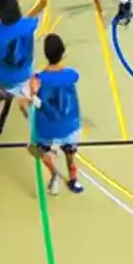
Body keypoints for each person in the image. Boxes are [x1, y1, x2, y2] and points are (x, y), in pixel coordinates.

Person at [30, 34, 84, 195]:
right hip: (70, 124)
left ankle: (54, 174)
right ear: (63, 53)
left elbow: (33, 95)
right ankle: (73, 178)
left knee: (35, 148)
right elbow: (72, 76)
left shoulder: (39, 79)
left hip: (48, 127)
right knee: (70, 150)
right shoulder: (71, 74)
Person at [0, 0, 39, 140]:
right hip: (25, 73)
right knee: (22, 98)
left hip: (4, 76)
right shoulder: (30, 24)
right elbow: (37, 12)